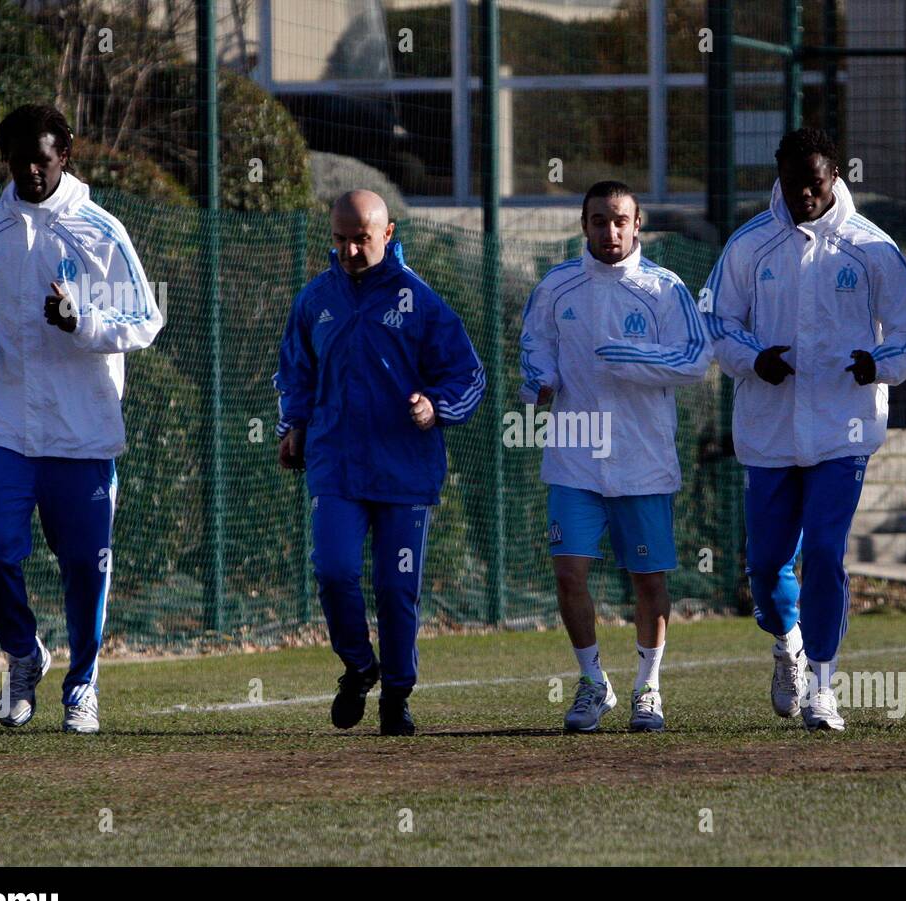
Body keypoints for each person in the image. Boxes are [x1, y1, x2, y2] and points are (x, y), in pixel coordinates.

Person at [704, 128, 906, 731]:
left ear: (836, 176)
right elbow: (717, 323)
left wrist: (879, 365)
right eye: (792, 181)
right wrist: (754, 359)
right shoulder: (749, 245)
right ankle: (788, 646)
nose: (804, 193)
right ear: (777, 178)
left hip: (843, 430)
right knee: (766, 565)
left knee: (828, 554)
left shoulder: (872, 248)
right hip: (768, 431)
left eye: (816, 181)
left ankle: (824, 687)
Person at [0, 104, 165, 733]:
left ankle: (82, 687)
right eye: (19, 162)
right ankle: (23, 657)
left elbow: (145, 322)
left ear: (65, 154)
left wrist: (83, 324)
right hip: (3, 425)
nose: (32, 173)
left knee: (84, 565)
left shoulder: (100, 230)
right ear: (6, 160)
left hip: (81, 430)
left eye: (42, 161)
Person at [275, 190, 485, 736]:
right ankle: (358, 666)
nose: (348, 249)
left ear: (387, 234)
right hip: (336, 465)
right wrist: (292, 427)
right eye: (340, 238)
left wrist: (435, 405)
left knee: (396, 587)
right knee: (334, 569)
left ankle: (397, 694)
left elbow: (468, 375)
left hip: (404, 471)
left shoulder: (422, 300)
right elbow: (295, 371)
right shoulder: (315, 299)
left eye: (361, 239)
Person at [519, 181, 711, 732]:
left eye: (620, 220)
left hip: (641, 459)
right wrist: (539, 382)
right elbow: (535, 344)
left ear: (637, 224)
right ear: (584, 226)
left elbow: (695, 360)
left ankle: (648, 687)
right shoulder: (557, 286)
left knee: (648, 580)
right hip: (575, 453)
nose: (610, 231)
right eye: (599, 220)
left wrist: (632, 358)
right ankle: (592, 682)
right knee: (569, 572)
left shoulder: (664, 289)